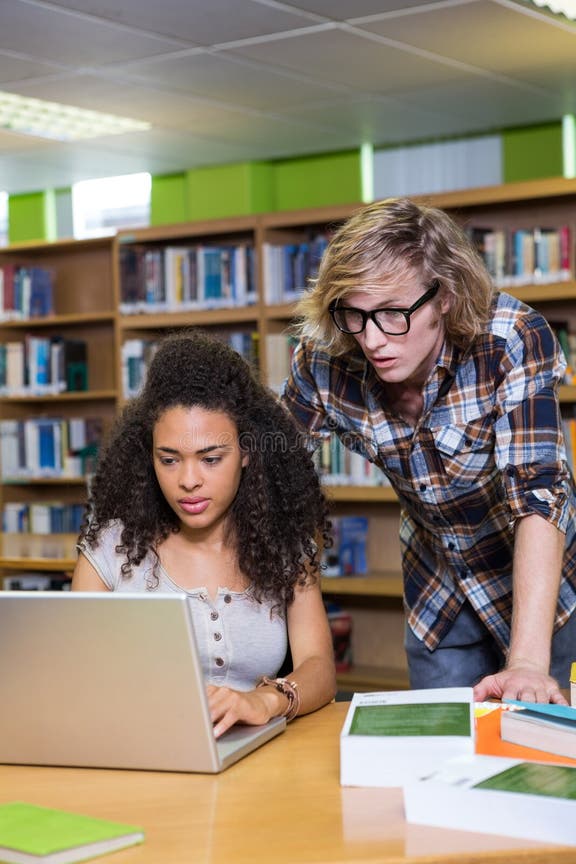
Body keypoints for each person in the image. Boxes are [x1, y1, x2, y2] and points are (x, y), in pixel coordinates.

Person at [282, 196, 576, 705]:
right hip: (439, 599)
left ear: (443, 295)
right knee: (442, 766)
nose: (372, 339)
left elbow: (539, 496)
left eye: (393, 313)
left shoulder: (508, 337)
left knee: (548, 764)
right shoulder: (324, 359)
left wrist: (528, 661)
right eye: (355, 313)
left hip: (549, 599)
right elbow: (272, 474)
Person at [72, 330, 336, 737]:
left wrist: (265, 701)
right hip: (137, 748)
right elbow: (77, 676)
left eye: (211, 459)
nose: (188, 480)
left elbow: (318, 666)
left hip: (257, 758)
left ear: (247, 452)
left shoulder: (285, 546)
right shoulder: (109, 550)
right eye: (169, 459)